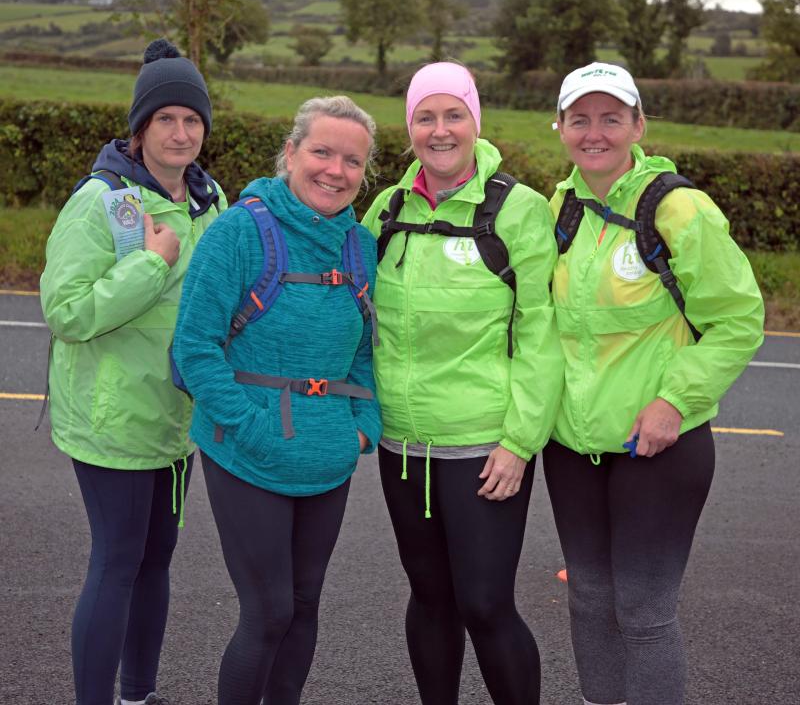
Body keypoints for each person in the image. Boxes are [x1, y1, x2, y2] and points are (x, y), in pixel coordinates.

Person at [544, 61, 765, 705]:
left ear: (638, 125)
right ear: (559, 127)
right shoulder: (561, 208)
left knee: (643, 611)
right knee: (588, 598)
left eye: (611, 118)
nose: (595, 132)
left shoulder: (678, 208)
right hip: (572, 445)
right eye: (580, 118)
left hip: (659, 445)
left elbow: (738, 319)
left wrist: (675, 401)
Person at [360, 62, 564, 705]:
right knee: (429, 598)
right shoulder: (386, 209)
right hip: (402, 445)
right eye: (426, 116)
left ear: (477, 122)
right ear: (409, 127)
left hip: (485, 447)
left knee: (483, 603)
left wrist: (520, 441)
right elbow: (349, 305)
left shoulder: (519, 210)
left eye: (454, 115)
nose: (440, 130)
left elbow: (541, 334)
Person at [171, 95, 381, 705]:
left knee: (304, 606)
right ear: (290, 152)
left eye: (351, 161)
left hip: (328, 456)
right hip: (248, 453)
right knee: (266, 613)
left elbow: (367, 349)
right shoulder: (238, 232)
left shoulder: (359, 246)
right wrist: (250, 429)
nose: (334, 171)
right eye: (321, 152)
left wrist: (362, 426)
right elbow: (196, 348)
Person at [39, 39, 225, 705]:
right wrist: (149, 264)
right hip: (113, 419)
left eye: (193, 120)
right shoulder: (102, 201)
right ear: (139, 127)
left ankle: (137, 696)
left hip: (177, 420)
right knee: (118, 562)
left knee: (154, 563)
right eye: (166, 118)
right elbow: (65, 311)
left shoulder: (210, 199)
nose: (181, 133)